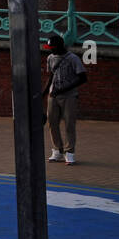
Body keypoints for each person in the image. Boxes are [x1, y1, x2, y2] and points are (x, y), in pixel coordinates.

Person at [43, 33, 87, 166]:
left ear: (60, 46)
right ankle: (57, 149)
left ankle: (69, 152)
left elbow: (83, 78)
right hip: (53, 95)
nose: (50, 49)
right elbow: (51, 76)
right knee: (52, 122)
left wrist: (63, 89)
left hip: (69, 96)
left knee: (69, 124)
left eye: (53, 47)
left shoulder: (73, 58)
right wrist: (44, 92)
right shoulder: (50, 58)